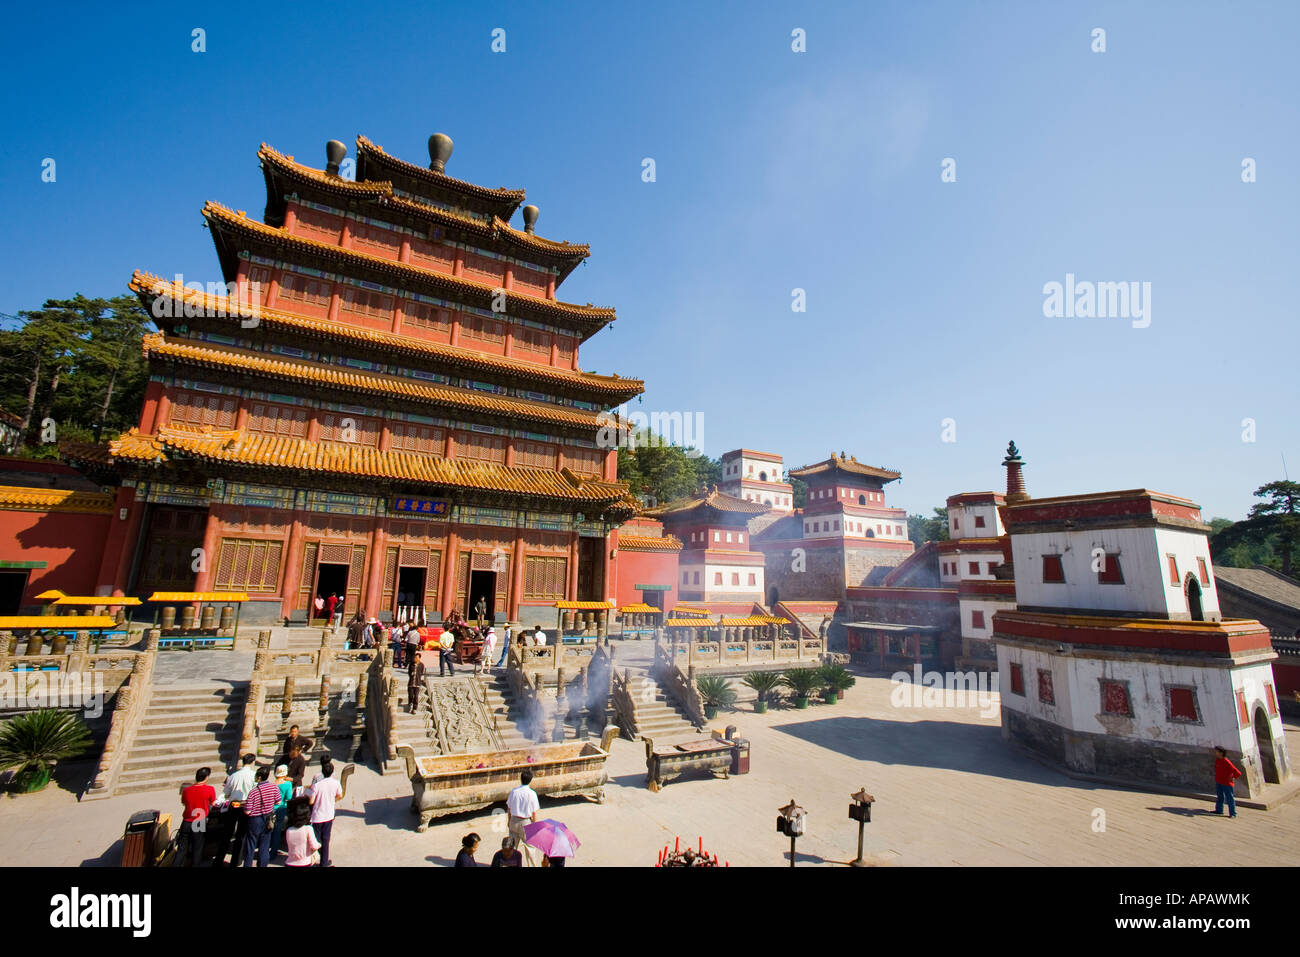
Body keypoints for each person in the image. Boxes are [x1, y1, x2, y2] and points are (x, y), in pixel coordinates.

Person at [219, 753, 258, 866]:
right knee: (241, 834)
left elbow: (226, 793)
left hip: (233, 805)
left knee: (227, 833)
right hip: (246, 805)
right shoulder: (254, 775)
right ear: (252, 762)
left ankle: (219, 858)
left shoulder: (233, 776)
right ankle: (236, 860)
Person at [176, 766, 216, 867]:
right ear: (206, 777)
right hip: (199, 821)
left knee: (182, 848)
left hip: (186, 821)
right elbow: (213, 803)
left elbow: (184, 802)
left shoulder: (187, 790)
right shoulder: (209, 789)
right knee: (197, 847)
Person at [242, 765, 280, 867]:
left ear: (259, 777)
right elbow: (278, 801)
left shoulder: (253, 792)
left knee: (250, 846)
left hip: (255, 820)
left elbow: (247, 811)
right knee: (265, 846)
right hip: (268, 818)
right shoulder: (274, 787)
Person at [309, 757, 344, 866]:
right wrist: (331, 800)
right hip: (329, 814)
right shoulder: (336, 782)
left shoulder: (317, 785)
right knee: (326, 839)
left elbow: (311, 801)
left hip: (317, 816)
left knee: (316, 839)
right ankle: (324, 862)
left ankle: (314, 858)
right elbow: (340, 795)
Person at [506, 769, 540, 867]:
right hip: (526, 822)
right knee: (530, 848)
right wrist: (535, 824)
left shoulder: (514, 792)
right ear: (530, 780)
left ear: (521, 779)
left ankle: (510, 865)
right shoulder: (532, 794)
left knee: (512, 847)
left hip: (514, 820)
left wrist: (509, 821)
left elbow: (508, 808)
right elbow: (534, 812)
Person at [284, 797, 320, 867]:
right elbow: (314, 846)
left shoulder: (289, 830)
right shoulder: (308, 829)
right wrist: (320, 844)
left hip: (290, 862)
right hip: (305, 862)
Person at [1214, 746, 1242, 818]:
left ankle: (1233, 813)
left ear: (1221, 753)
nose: (1215, 753)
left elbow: (1235, 771)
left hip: (1227, 783)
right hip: (1219, 781)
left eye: (1217, 751)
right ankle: (1219, 810)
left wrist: (1232, 777)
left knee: (1229, 798)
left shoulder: (1226, 761)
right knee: (1220, 797)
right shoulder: (1217, 760)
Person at [270, 765, 293, 857]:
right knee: (277, 830)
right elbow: (289, 797)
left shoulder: (272, 784)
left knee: (269, 829)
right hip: (281, 808)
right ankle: (274, 851)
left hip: (271, 808)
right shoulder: (287, 784)